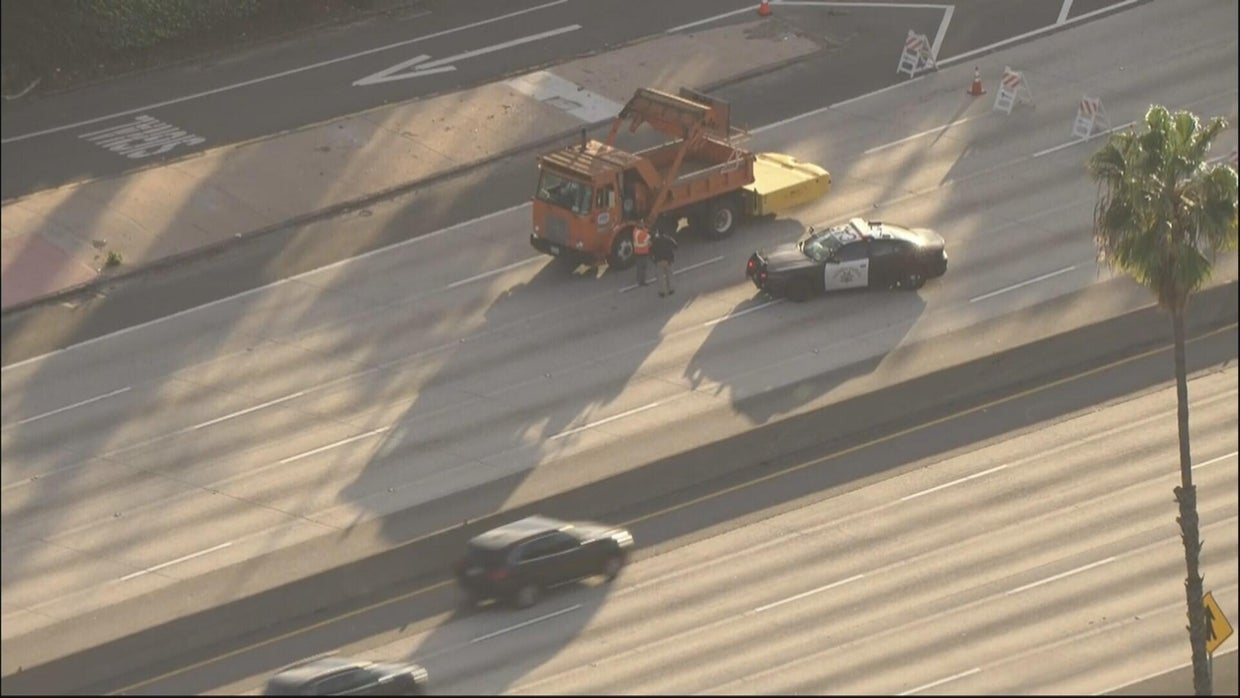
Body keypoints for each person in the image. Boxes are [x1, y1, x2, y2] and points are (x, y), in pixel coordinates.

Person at [650, 228, 678, 297]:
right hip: (668, 260)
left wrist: (653, 260)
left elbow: (651, 250)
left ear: (658, 233)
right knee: (669, 275)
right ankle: (670, 290)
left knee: (660, 277)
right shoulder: (668, 239)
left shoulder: (655, 241)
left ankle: (662, 292)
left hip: (659, 261)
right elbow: (675, 245)